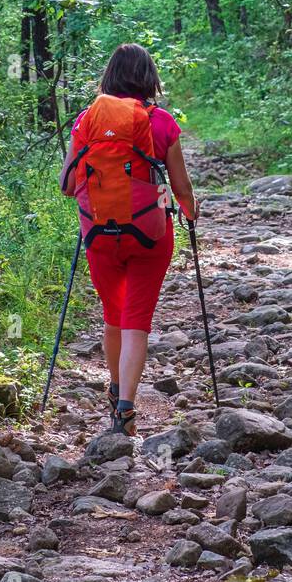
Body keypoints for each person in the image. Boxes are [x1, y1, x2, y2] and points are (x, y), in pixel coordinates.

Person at [60, 43, 199, 436]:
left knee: (113, 315)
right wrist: (190, 213)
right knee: (136, 320)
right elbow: (181, 187)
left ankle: (116, 387)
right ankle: (125, 409)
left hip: (99, 233)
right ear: (149, 78)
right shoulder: (162, 122)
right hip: (150, 233)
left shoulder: (85, 121)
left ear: (110, 76)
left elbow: (68, 186)